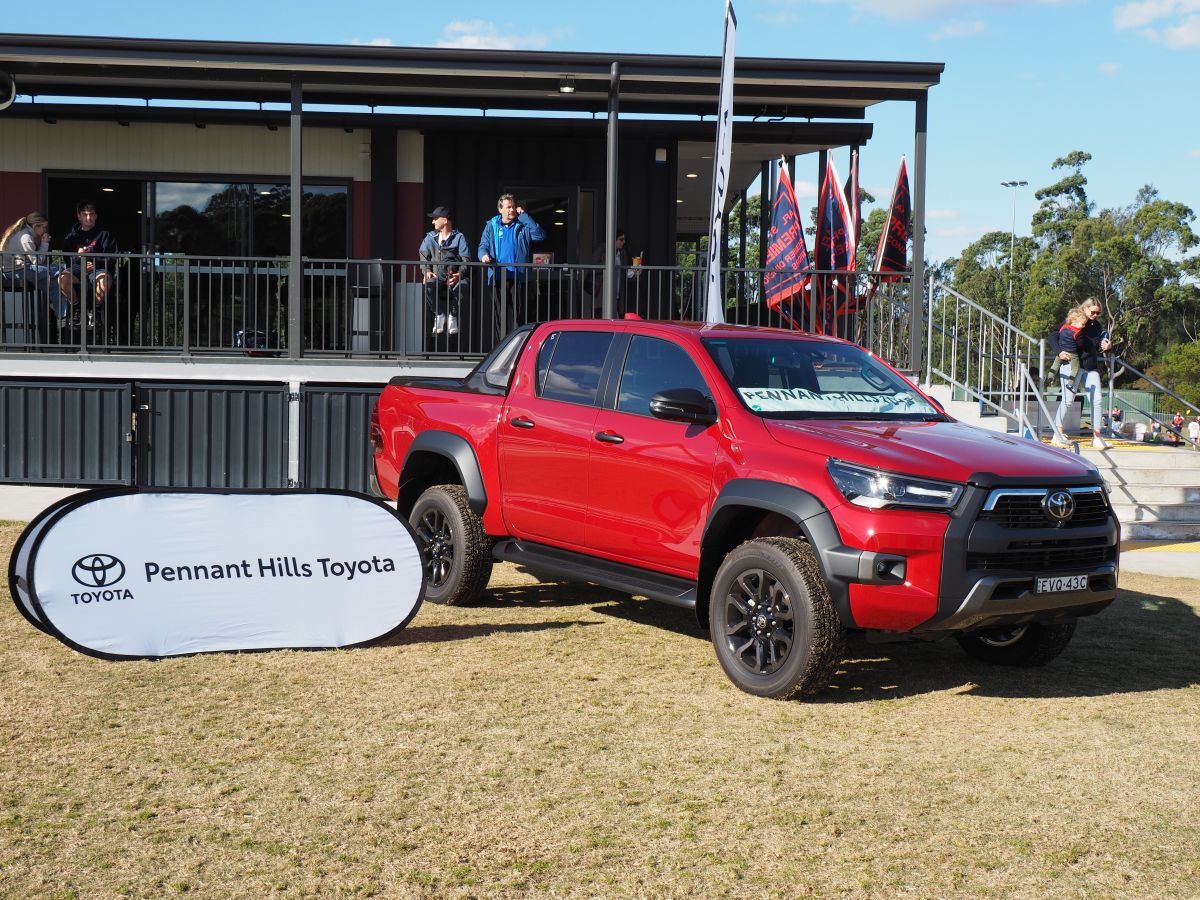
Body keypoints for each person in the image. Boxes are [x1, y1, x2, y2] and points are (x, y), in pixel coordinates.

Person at [477, 194, 544, 334]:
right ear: (500, 209)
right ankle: (502, 345)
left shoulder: (522, 225)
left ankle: (517, 345)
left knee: (517, 316)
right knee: (499, 316)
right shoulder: (491, 226)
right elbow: (483, 245)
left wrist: (524, 216)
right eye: (508, 207)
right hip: (497, 277)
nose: (512, 210)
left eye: (513, 207)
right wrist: (483, 255)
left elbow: (539, 235)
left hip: (518, 277)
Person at [1052, 297, 1112, 450]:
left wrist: (1105, 345)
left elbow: (1095, 346)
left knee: (1097, 400)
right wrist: (1059, 352)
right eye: (1093, 312)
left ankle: (1097, 436)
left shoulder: (1096, 325)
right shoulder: (1073, 319)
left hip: (1090, 367)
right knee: (1068, 400)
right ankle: (1058, 433)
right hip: (1071, 365)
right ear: (1085, 308)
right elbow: (1053, 336)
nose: (1095, 315)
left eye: (1098, 313)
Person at [1, 211, 69, 337]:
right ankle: (62, 317)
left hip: (21, 270)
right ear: (36, 226)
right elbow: (37, 261)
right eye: (44, 227)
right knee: (58, 269)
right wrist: (45, 243)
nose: (45, 230)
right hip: (16, 272)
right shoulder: (26, 237)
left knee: (55, 283)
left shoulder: (22, 233)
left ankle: (62, 318)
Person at [58, 200, 118, 328]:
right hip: (77, 269)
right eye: (85, 214)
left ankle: (95, 311)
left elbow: (112, 258)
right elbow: (67, 258)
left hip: (99, 269)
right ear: (79, 216)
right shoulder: (71, 236)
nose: (88, 217)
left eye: (91, 214)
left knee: (104, 281)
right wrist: (77, 256)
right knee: (62, 279)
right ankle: (77, 309)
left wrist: (92, 259)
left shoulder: (105, 235)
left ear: (96, 216)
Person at [418, 206, 470, 338]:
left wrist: (459, 275)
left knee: (463, 286)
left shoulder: (459, 238)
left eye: (435, 218)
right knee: (429, 285)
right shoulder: (430, 237)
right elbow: (423, 256)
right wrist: (427, 271)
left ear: (445, 220)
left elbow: (466, 260)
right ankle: (439, 314)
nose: (433, 222)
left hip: (455, 276)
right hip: (437, 276)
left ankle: (453, 316)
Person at [1044, 307, 1087, 391]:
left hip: (1061, 352)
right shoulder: (1078, 333)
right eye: (1082, 324)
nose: (1084, 326)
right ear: (1074, 321)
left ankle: (1050, 376)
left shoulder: (1063, 327)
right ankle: (1070, 383)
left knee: (1055, 365)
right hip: (1072, 354)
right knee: (1075, 368)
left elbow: (1059, 336)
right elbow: (1080, 344)